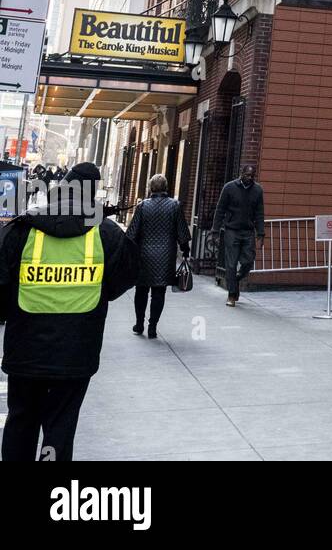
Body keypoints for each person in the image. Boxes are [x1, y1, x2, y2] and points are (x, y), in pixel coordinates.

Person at [0, 162, 138, 461]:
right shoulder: (107, 234)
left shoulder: (22, 229)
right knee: (60, 426)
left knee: (21, 421)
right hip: (77, 352)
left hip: (25, 351)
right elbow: (121, 281)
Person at [125, 173, 191, 338]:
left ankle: (139, 323)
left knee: (141, 291)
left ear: (150, 188)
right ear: (166, 187)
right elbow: (182, 232)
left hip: (143, 254)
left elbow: (131, 233)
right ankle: (152, 326)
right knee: (158, 292)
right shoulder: (175, 206)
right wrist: (185, 250)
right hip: (165, 255)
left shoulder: (142, 206)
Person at [212, 162, 264, 306]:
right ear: (241, 174)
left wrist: (261, 232)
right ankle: (232, 295)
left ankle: (236, 279)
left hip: (248, 231)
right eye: (247, 175)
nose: (250, 178)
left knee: (248, 261)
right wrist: (215, 230)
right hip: (232, 230)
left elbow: (259, 213)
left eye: (252, 175)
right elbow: (220, 209)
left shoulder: (258, 191)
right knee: (231, 263)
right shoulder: (229, 188)